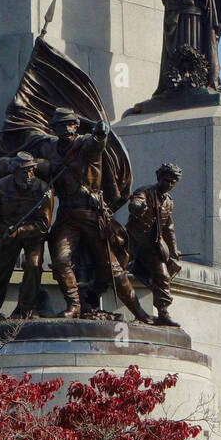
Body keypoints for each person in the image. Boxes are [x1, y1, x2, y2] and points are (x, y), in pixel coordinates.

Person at [37, 107, 151, 323]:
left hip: (92, 216)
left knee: (113, 268)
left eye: (70, 124)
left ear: (76, 126)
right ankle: (74, 306)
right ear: (54, 128)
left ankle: (139, 312)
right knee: (60, 260)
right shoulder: (49, 147)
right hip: (67, 215)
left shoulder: (85, 144)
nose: (67, 129)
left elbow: (96, 143)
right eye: (61, 125)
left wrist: (100, 134)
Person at [0, 152, 52, 320]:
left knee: (33, 265)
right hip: (5, 235)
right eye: (24, 171)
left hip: (33, 236)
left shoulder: (44, 190)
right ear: (14, 171)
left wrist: (20, 231)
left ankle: (26, 309)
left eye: (31, 170)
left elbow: (43, 225)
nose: (29, 174)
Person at [125, 163, 183, 327]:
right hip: (134, 240)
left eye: (173, 182)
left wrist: (173, 250)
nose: (169, 184)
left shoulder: (169, 202)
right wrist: (137, 206)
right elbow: (135, 202)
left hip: (152, 245)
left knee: (165, 274)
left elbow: (168, 228)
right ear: (158, 177)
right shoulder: (145, 192)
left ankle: (163, 313)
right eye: (166, 180)